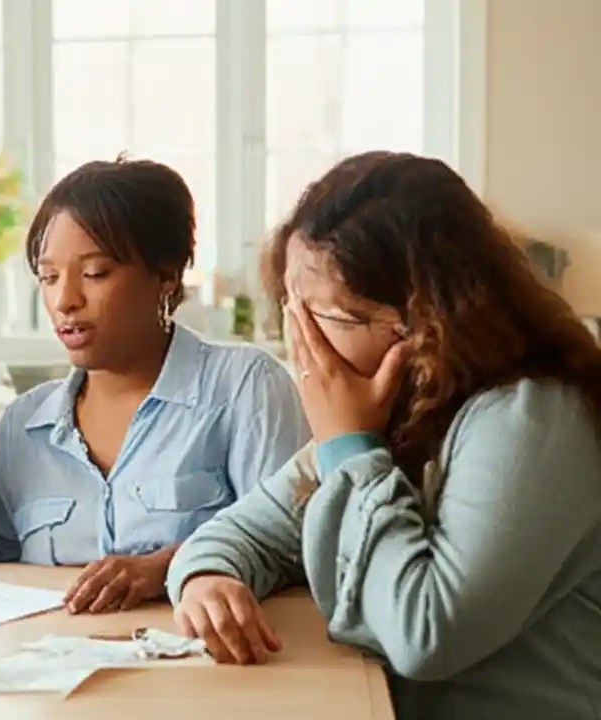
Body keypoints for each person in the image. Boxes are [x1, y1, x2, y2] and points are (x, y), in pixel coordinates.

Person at [167, 151, 601, 719]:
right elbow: (237, 535)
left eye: (331, 318)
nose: (304, 345)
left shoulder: (535, 416)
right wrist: (206, 581)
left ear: (426, 323)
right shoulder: (400, 408)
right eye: (296, 313)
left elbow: (427, 632)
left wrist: (350, 447)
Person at [0, 157, 311, 613]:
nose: (65, 301)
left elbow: (296, 544)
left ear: (166, 275)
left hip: (207, 672)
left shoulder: (245, 389)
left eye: (96, 273)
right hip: (54, 672)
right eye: (49, 277)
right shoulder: (23, 426)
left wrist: (169, 567)